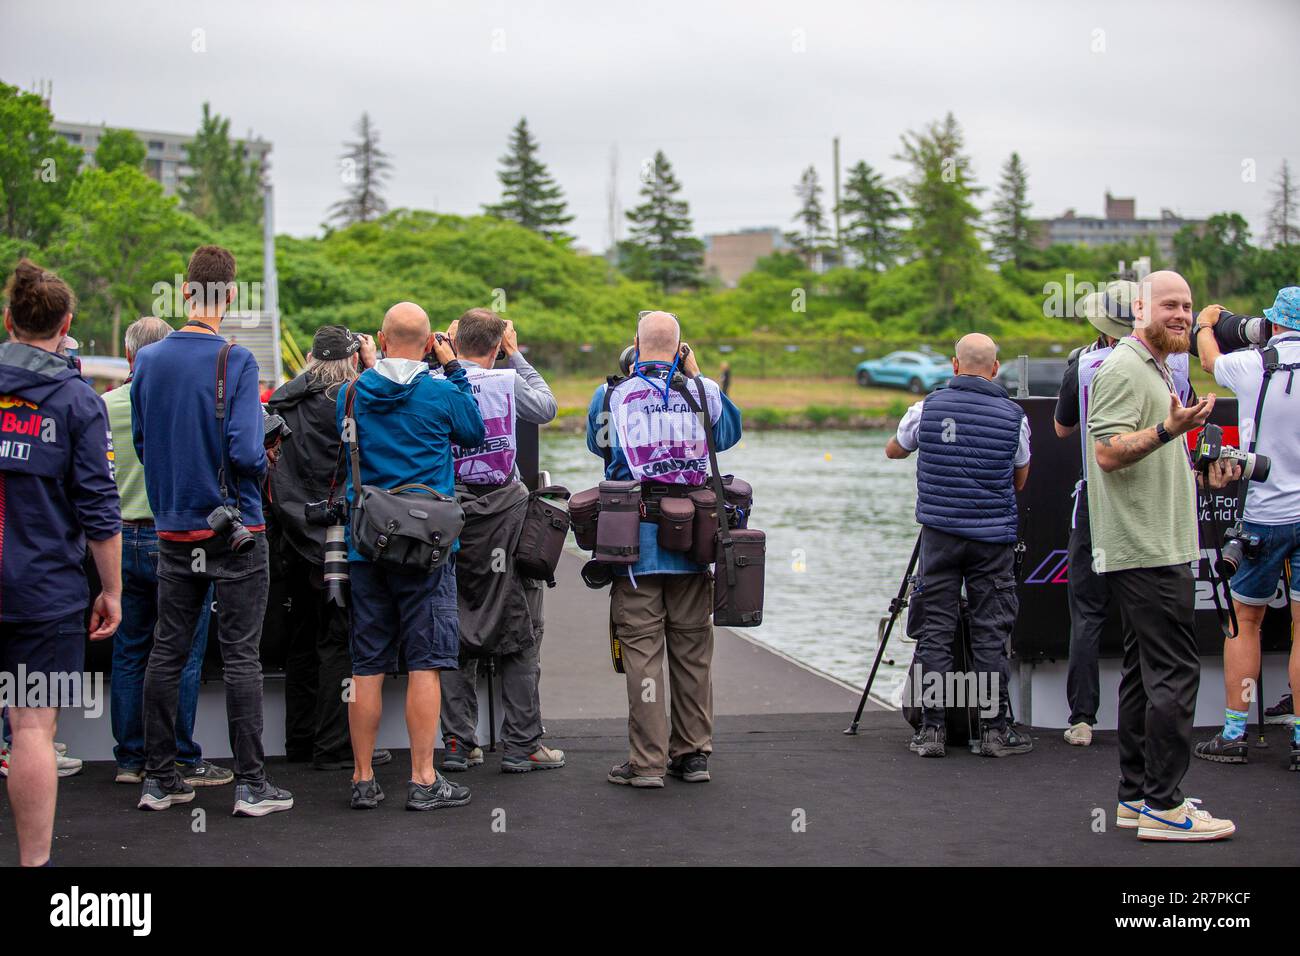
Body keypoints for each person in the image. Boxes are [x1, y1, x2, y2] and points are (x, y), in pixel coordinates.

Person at [132, 244, 292, 817]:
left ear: (185, 292)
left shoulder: (147, 361)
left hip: (174, 528)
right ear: (228, 296)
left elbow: (144, 445)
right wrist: (267, 449)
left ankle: (158, 778)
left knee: (166, 649)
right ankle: (251, 785)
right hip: (236, 530)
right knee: (242, 655)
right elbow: (246, 452)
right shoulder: (237, 359)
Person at [1087, 269, 1239, 840]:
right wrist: (1166, 430)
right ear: (1140, 309)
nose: (1181, 314)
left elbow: (1148, 448)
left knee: (1142, 675)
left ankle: (1137, 797)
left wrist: (1196, 460)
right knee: (1174, 675)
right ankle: (1166, 807)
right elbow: (1107, 453)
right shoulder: (1125, 367)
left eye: (1189, 306)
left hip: (1153, 543)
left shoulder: (1152, 366)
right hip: (1147, 548)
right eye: (1170, 305)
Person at [338, 302, 485, 811]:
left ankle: (362, 778)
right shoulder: (442, 391)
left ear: (379, 338)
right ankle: (423, 779)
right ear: (428, 343)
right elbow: (475, 433)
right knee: (426, 663)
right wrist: (453, 369)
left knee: (367, 664)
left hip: (367, 544)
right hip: (430, 548)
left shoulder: (351, 392)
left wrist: (365, 364)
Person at [586, 310, 742, 788]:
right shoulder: (703, 392)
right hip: (695, 545)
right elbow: (729, 434)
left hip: (635, 545)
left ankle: (647, 762)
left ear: (635, 343)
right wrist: (695, 377)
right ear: (681, 348)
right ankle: (693, 755)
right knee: (693, 654)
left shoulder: (613, 394)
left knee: (643, 656)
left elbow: (601, 446)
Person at [0, 259, 121, 865]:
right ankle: (33, 863)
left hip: (41, 588)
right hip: (41, 591)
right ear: (66, 324)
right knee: (32, 729)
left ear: (9, 320)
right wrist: (112, 591)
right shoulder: (76, 401)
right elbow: (101, 510)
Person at [1053, 282, 1193, 746]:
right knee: (1148, 635)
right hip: (1150, 506)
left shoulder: (1083, 361)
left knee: (1087, 611)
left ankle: (1082, 718)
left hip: (1096, 500)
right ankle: (1149, 773)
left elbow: (1061, 427)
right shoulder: (1172, 361)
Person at [885, 333, 1031, 758]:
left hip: (940, 537)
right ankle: (993, 730)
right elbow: (1020, 478)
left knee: (935, 631)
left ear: (953, 365)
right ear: (995, 368)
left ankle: (931, 732)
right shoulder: (1014, 415)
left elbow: (895, 450)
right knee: (990, 632)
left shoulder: (925, 407)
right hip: (992, 540)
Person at [436, 309, 564, 774]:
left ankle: (457, 741)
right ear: (497, 347)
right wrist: (517, 356)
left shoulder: (435, 382)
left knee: (454, 627)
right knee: (519, 632)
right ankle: (522, 744)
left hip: (450, 517)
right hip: (505, 516)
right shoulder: (505, 382)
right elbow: (546, 407)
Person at [106, 317, 229, 787]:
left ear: (129, 354)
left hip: (120, 537)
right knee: (183, 651)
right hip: (172, 537)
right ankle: (179, 755)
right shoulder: (184, 405)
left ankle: (130, 757)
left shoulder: (103, 406)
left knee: (130, 649)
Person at [267, 325, 393, 772]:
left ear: (310, 358)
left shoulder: (287, 401)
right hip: (342, 536)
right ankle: (334, 744)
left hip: (293, 534)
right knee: (338, 641)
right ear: (353, 359)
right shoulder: (356, 400)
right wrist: (370, 364)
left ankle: (299, 739)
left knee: (300, 639)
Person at [1193, 286, 1300, 771]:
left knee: (1245, 623)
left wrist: (1206, 321)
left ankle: (1234, 733)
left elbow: (1211, 360)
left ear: (1273, 324)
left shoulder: (1257, 364)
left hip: (1264, 514)